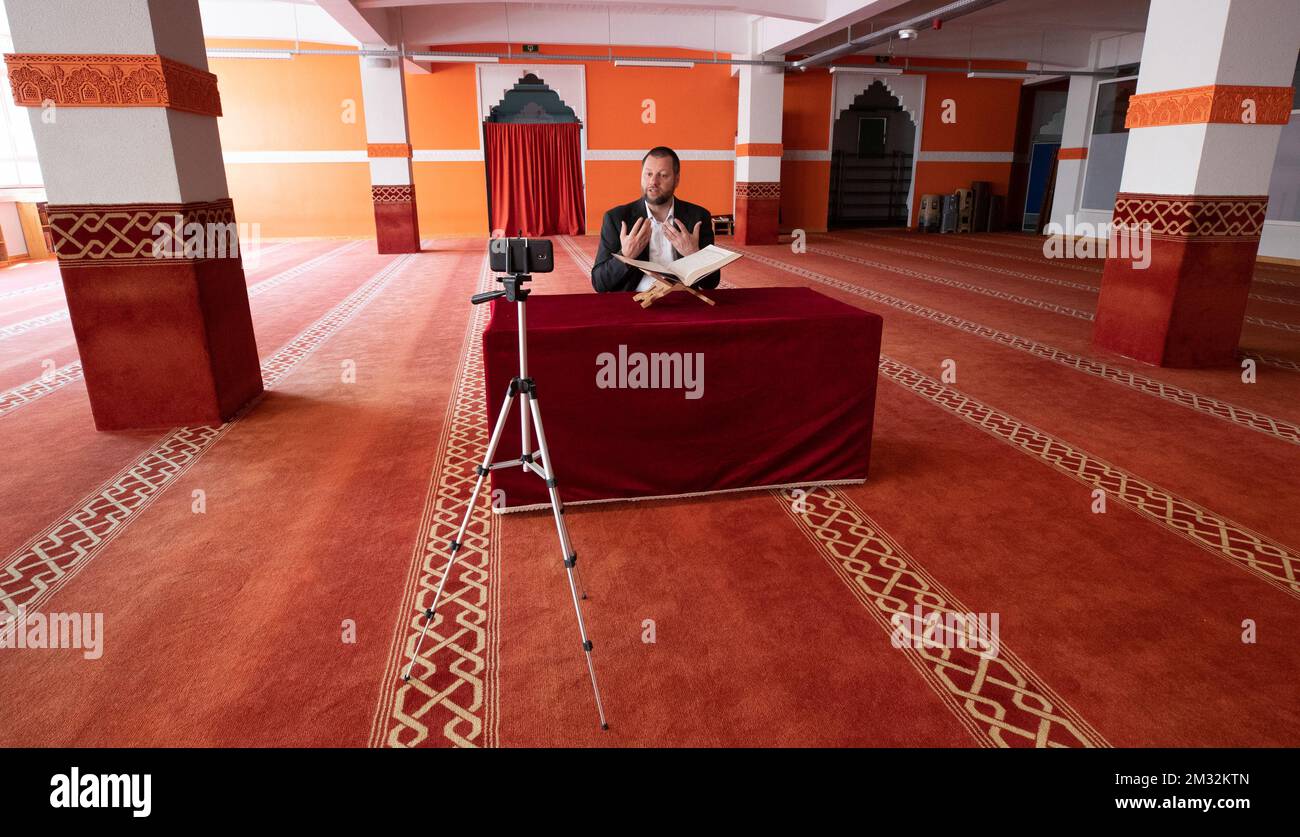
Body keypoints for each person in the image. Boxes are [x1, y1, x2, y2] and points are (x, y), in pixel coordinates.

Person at [591, 146, 721, 293]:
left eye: (663, 175)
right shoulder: (617, 218)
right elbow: (599, 284)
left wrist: (694, 255)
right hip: (635, 302)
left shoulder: (698, 217)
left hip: (684, 300)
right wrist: (625, 256)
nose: (653, 181)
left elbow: (712, 283)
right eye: (648, 174)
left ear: (676, 180)